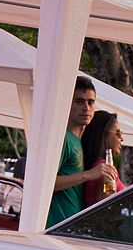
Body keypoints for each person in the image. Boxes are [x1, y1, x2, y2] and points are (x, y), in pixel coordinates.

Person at [46, 75, 117, 227]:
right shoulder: (63, 138)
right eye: (79, 101)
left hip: (70, 225)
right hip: (54, 225)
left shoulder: (80, 142)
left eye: (90, 102)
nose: (86, 108)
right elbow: (45, 183)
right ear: (67, 104)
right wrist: (88, 175)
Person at [80, 111, 125, 207]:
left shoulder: (96, 166)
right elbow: (106, 209)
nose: (121, 138)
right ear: (104, 136)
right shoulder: (104, 170)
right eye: (118, 133)